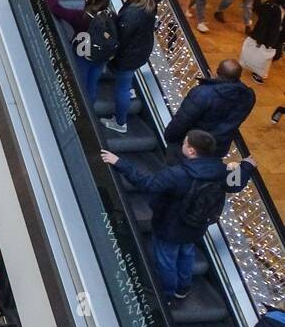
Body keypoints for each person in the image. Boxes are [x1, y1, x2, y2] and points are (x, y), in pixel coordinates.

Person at [102, 130, 255, 303]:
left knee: (166, 261)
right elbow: (235, 185)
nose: (182, 145)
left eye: (185, 143)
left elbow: (147, 184)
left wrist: (120, 163)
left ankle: (166, 294)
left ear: (191, 151)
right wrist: (246, 166)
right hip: (197, 224)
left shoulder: (177, 174)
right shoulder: (223, 170)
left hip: (169, 225)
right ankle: (183, 287)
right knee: (186, 252)